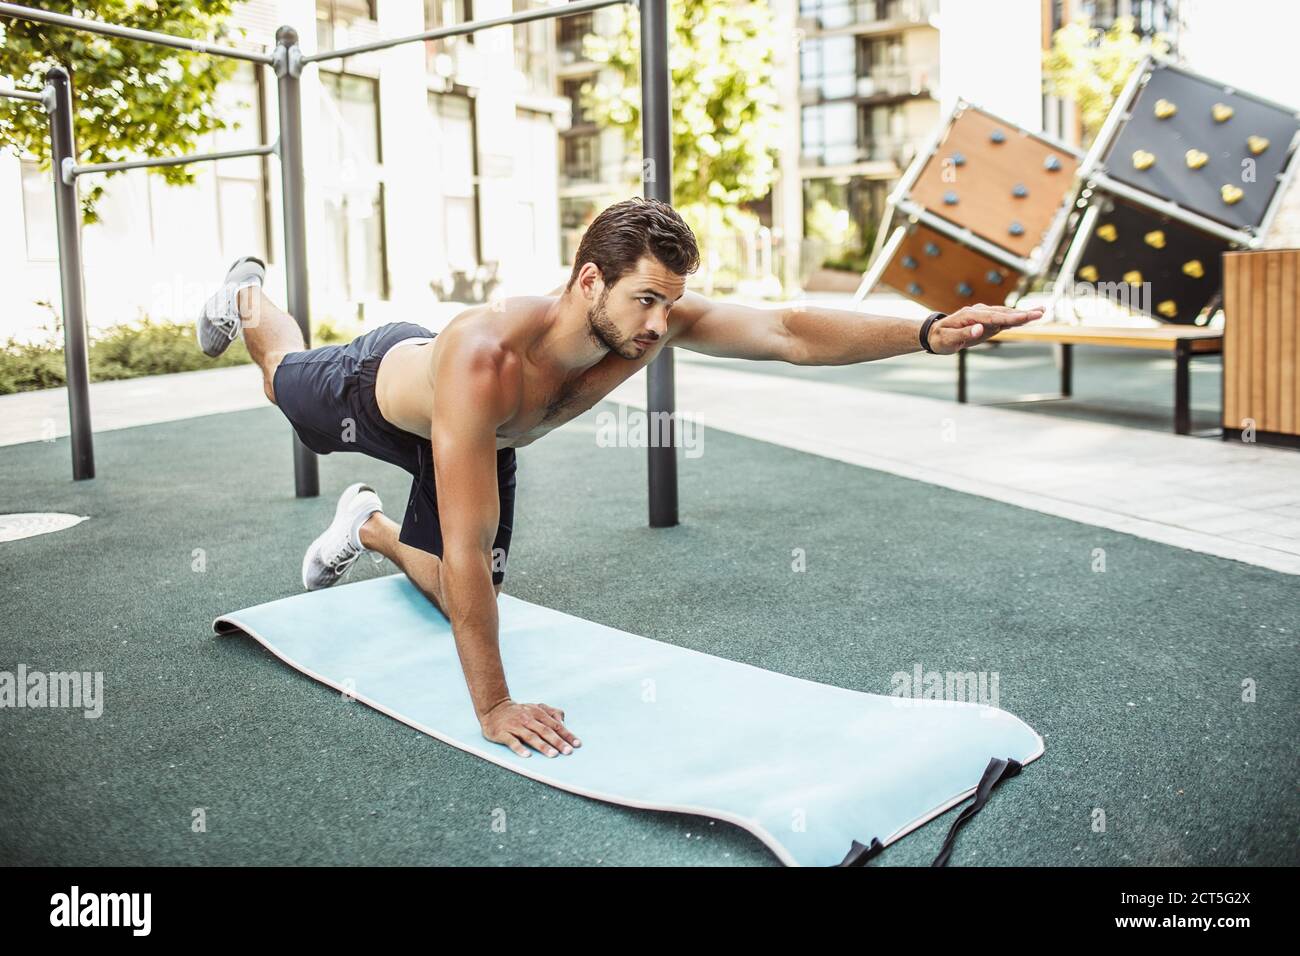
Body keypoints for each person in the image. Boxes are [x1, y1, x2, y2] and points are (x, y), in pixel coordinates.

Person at [195, 197, 1043, 760]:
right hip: (376, 387)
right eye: (645, 299)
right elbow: (466, 536)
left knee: (469, 592)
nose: (660, 323)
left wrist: (928, 331)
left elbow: (788, 329)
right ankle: (247, 293)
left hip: (478, 437)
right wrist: (495, 708)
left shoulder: (647, 321)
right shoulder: (487, 355)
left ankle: (368, 527)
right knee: (280, 375)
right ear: (588, 279)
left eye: (670, 302)